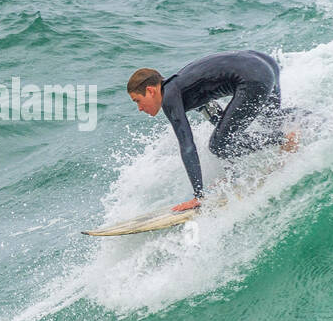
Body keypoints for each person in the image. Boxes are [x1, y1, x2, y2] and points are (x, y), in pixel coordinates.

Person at [127, 50, 298, 213]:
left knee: (218, 146)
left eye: (138, 101)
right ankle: (309, 120)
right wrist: (231, 171)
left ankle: (284, 138)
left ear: (151, 90)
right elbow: (221, 123)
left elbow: (187, 146)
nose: (140, 108)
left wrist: (199, 196)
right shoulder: (182, 85)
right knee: (271, 121)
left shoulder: (169, 97)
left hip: (253, 78)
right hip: (265, 64)